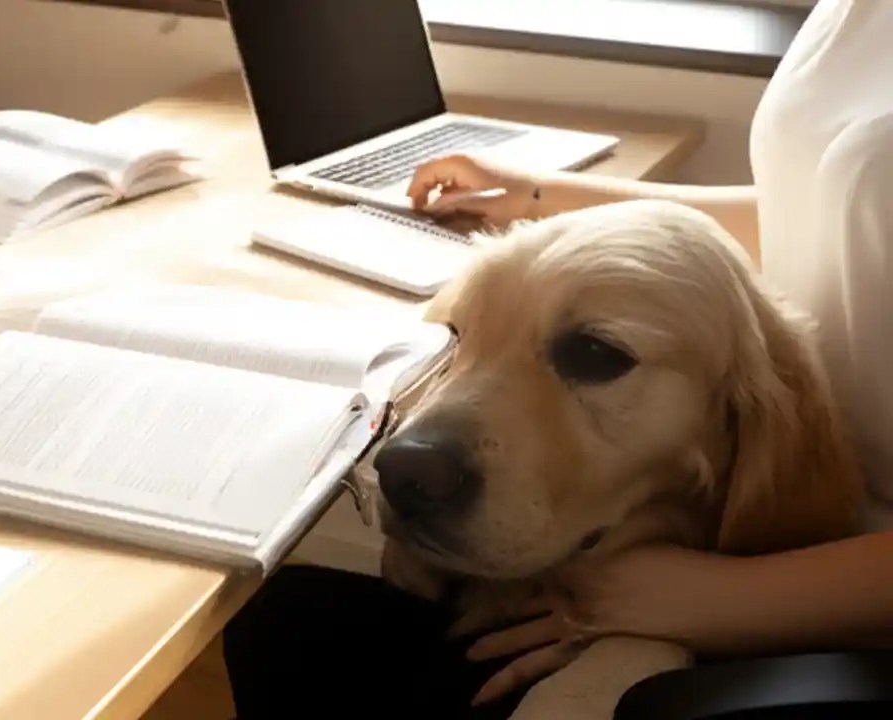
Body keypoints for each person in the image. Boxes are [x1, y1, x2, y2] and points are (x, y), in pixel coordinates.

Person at [221, 1, 893, 717]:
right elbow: (826, 198)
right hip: (734, 559)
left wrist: (697, 600)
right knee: (284, 617)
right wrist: (545, 199)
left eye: (597, 353)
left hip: (827, 582)